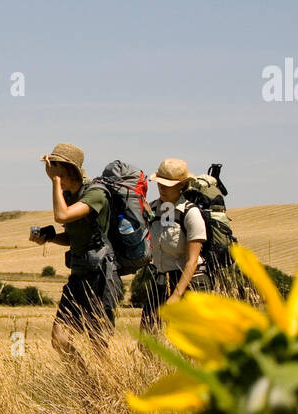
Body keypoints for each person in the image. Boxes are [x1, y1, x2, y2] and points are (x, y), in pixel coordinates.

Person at [29, 143, 122, 370]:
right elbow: (74, 237)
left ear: (67, 168)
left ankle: (110, 388)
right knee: (59, 339)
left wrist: (55, 183)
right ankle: (86, 383)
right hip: (78, 276)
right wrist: (49, 238)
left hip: (101, 275)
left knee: (98, 343)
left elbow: (62, 216)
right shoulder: (69, 195)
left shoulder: (96, 194)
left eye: (53, 165)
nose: (48, 169)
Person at [138, 157, 211, 330]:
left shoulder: (191, 213)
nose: (161, 187)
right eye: (159, 183)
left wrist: (177, 294)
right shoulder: (153, 209)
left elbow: (192, 261)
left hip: (191, 283)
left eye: (167, 184)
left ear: (181, 185)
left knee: (188, 343)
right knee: (147, 339)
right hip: (161, 281)